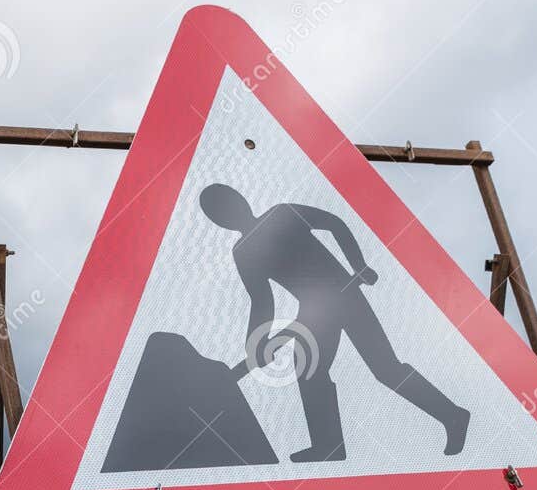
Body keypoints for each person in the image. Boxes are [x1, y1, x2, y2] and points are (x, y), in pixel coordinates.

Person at [199, 182, 470, 461]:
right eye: (220, 213)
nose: (228, 214)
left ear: (241, 201)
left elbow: (334, 223)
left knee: (385, 368)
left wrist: (359, 264)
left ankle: (453, 416)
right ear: (220, 222)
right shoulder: (244, 252)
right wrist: (254, 344)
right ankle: (328, 445)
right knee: (311, 371)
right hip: (315, 310)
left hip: (344, 293)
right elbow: (262, 301)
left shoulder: (281, 214)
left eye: (227, 206)